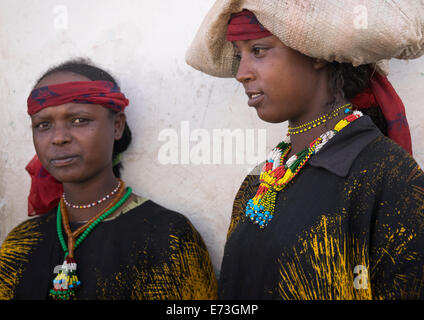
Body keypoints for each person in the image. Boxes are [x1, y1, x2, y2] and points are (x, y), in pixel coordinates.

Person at [186, 1, 424, 299]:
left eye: (258, 51)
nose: (242, 73)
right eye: (238, 56)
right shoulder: (261, 179)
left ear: (315, 54)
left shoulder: (388, 177)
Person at [0, 59, 217, 300]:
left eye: (79, 120)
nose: (58, 138)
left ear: (117, 126)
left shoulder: (168, 237)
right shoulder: (20, 243)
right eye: (43, 125)